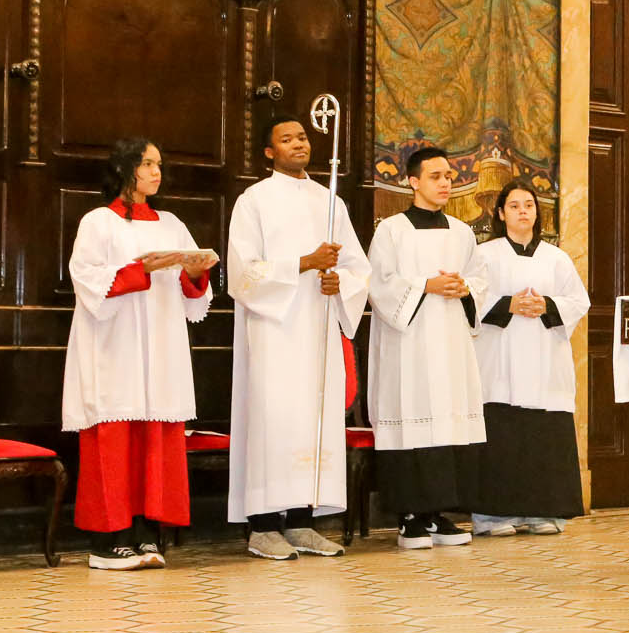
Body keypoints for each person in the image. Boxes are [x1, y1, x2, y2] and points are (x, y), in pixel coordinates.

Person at [62, 139, 216, 571]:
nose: (156, 172)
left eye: (159, 164)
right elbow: (87, 279)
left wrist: (194, 271)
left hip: (161, 345)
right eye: (147, 164)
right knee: (114, 437)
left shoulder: (171, 222)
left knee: (155, 437)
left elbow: (193, 296)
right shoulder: (98, 222)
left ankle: (147, 533)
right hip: (114, 343)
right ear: (126, 169)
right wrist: (141, 269)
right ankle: (107, 539)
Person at [228, 115, 371, 561]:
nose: (298, 144)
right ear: (269, 153)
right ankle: (264, 527)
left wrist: (340, 284)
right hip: (274, 331)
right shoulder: (254, 201)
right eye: (286, 139)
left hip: (319, 329)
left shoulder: (330, 201)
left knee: (314, 420)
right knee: (275, 420)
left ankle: (304, 522)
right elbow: (243, 271)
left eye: (303, 137)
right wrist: (303, 264)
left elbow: (356, 267)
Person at [367, 147, 486, 549]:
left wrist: (466, 288)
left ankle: (438, 514)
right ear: (413, 181)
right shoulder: (391, 231)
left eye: (449, 176)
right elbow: (379, 284)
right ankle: (409, 517)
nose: (445, 183)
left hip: (450, 341)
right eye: (435, 176)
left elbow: (479, 279)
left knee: (448, 419)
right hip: (409, 345)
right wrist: (426, 285)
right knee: (412, 414)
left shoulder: (462, 231)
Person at [472, 181, 589, 536]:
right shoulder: (485, 254)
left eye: (529, 205)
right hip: (499, 357)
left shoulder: (557, 258)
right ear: (501, 213)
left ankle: (544, 510)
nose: (523, 211)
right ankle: (493, 515)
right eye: (514, 205)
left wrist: (547, 305)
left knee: (543, 434)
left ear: (537, 212)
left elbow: (578, 301)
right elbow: (471, 296)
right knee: (502, 431)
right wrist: (508, 303)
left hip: (544, 358)